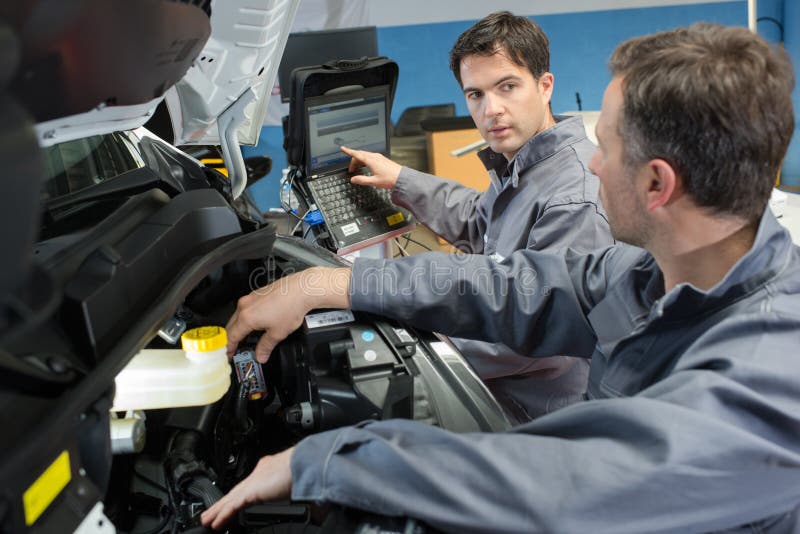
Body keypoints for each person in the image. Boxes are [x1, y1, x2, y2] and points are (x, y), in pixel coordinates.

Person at [204, 23, 800, 532]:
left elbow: (565, 484)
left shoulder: (765, 384)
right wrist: (325, 285)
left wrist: (328, 460)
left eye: (608, 147)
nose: (592, 162)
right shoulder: (656, 271)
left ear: (657, 184)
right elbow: (514, 285)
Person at [345, 11, 614, 420]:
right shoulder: (528, 164)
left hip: (537, 414)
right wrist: (401, 179)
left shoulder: (571, 196)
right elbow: (478, 221)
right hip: (506, 391)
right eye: (476, 94)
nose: (492, 110)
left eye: (507, 87)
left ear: (545, 86)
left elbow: (533, 326)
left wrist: (413, 339)